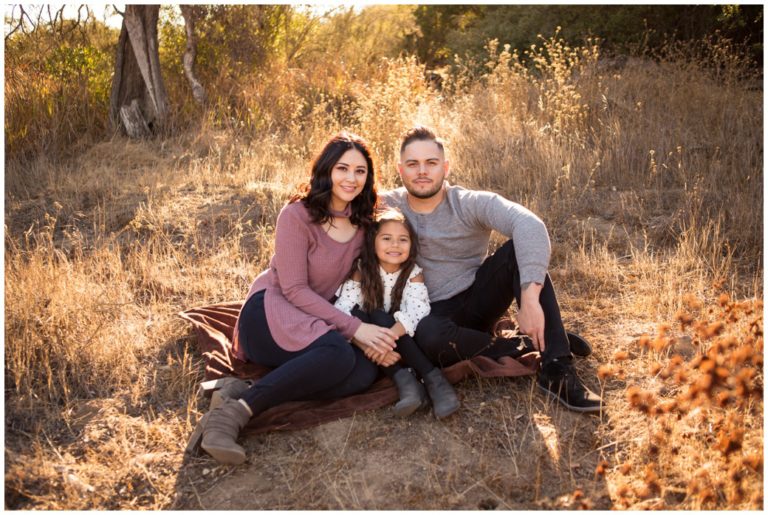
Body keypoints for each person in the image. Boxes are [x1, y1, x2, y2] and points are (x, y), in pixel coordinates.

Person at [189, 132, 400, 465]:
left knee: (362, 374)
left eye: (360, 171)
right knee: (338, 353)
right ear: (326, 169)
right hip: (269, 313)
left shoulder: (364, 224)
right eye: (343, 168)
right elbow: (294, 289)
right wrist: (355, 330)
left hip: (317, 319)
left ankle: (244, 390)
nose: (351, 178)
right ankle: (231, 417)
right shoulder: (297, 216)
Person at [379, 126, 603, 413]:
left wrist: (529, 300)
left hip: (476, 300)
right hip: (429, 315)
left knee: (516, 252)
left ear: (445, 167)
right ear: (400, 169)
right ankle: (530, 343)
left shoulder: (468, 203)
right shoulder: (386, 205)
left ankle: (557, 366)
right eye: (412, 164)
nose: (422, 171)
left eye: (431, 163)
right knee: (428, 334)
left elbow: (529, 224)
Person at [334, 208, 461, 419]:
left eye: (403, 239)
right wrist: (367, 345)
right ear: (372, 242)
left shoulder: (413, 273)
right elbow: (342, 310)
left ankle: (434, 380)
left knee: (382, 317)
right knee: (367, 314)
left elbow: (418, 310)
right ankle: (407, 383)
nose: (395, 245)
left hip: (403, 340)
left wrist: (388, 338)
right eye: (386, 238)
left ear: (411, 245)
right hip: (367, 341)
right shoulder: (361, 270)